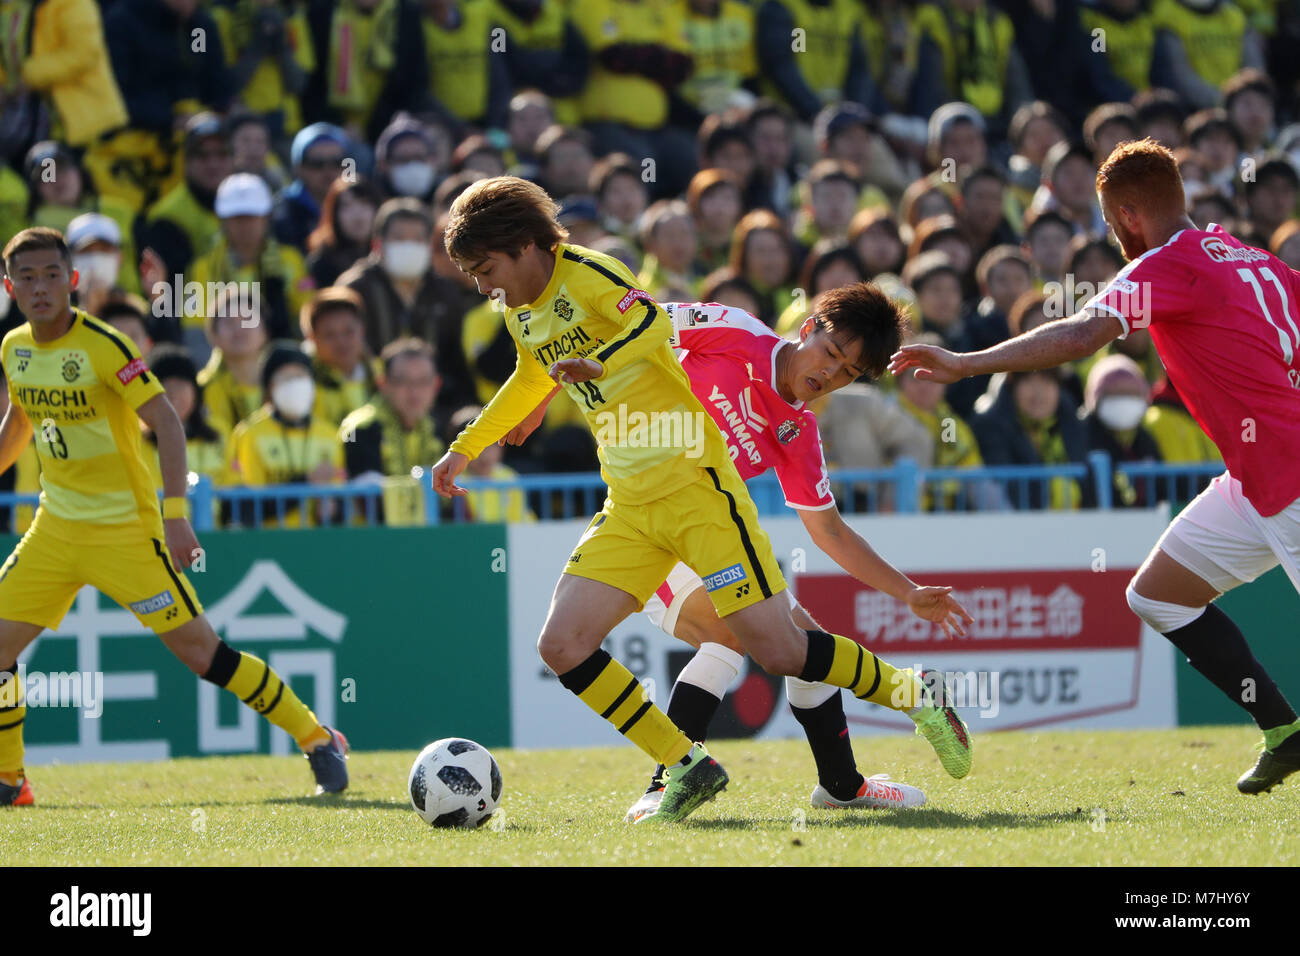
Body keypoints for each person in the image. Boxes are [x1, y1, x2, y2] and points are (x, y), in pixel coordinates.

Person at [433, 177, 973, 822]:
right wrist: (472, 442)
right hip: (631, 502)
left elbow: (828, 531)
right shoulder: (733, 332)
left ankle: (905, 705)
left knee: (779, 648)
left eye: (848, 373)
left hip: (701, 501)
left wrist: (906, 592)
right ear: (808, 327)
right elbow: (635, 332)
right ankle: (690, 768)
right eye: (830, 354)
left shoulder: (795, 430)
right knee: (564, 645)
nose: (830, 374)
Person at [891, 138, 1300, 793]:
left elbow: (1083, 332)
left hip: (1290, 478)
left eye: (1112, 227)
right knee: (1158, 595)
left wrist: (966, 364)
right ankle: (1284, 732)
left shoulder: (1166, 263)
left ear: (1131, 216)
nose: (1113, 239)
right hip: (1258, 479)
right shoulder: (1255, 259)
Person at [0, 228, 347, 806]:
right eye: (27, 277)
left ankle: (317, 739)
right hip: (54, 529)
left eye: (52, 275)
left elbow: (165, 421)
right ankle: (10, 780)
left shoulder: (104, 346)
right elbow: (19, 422)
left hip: (126, 532)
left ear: (73, 280)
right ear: (9, 286)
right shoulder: (14, 348)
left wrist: (176, 515)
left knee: (203, 655)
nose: (40, 288)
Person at [227, 340, 345, 527]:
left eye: (301, 376)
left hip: (318, 542)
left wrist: (330, 507)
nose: (295, 385)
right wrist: (306, 483)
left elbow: (341, 503)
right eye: (286, 378)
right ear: (269, 388)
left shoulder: (329, 434)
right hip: (267, 545)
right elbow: (249, 506)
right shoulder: (249, 433)